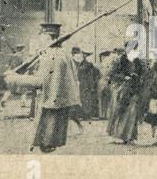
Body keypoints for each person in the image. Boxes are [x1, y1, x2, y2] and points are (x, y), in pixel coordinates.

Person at [24, 22, 80, 154]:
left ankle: (47, 143)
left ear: (50, 38)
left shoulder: (52, 55)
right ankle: (50, 143)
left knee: (49, 119)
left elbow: (41, 78)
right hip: (58, 93)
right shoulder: (62, 53)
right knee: (54, 119)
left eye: (44, 36)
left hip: (51, 92)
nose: (41, 40)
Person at [73, 48, 100, 122]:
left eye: (85, 54)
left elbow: (90, 74)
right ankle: (85, 114)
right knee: (84, 99)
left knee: (86, 99)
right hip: (83, 83)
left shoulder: (87, 64)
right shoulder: (84, 63)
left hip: (86, 83)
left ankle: (87, 114)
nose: (83, 55)